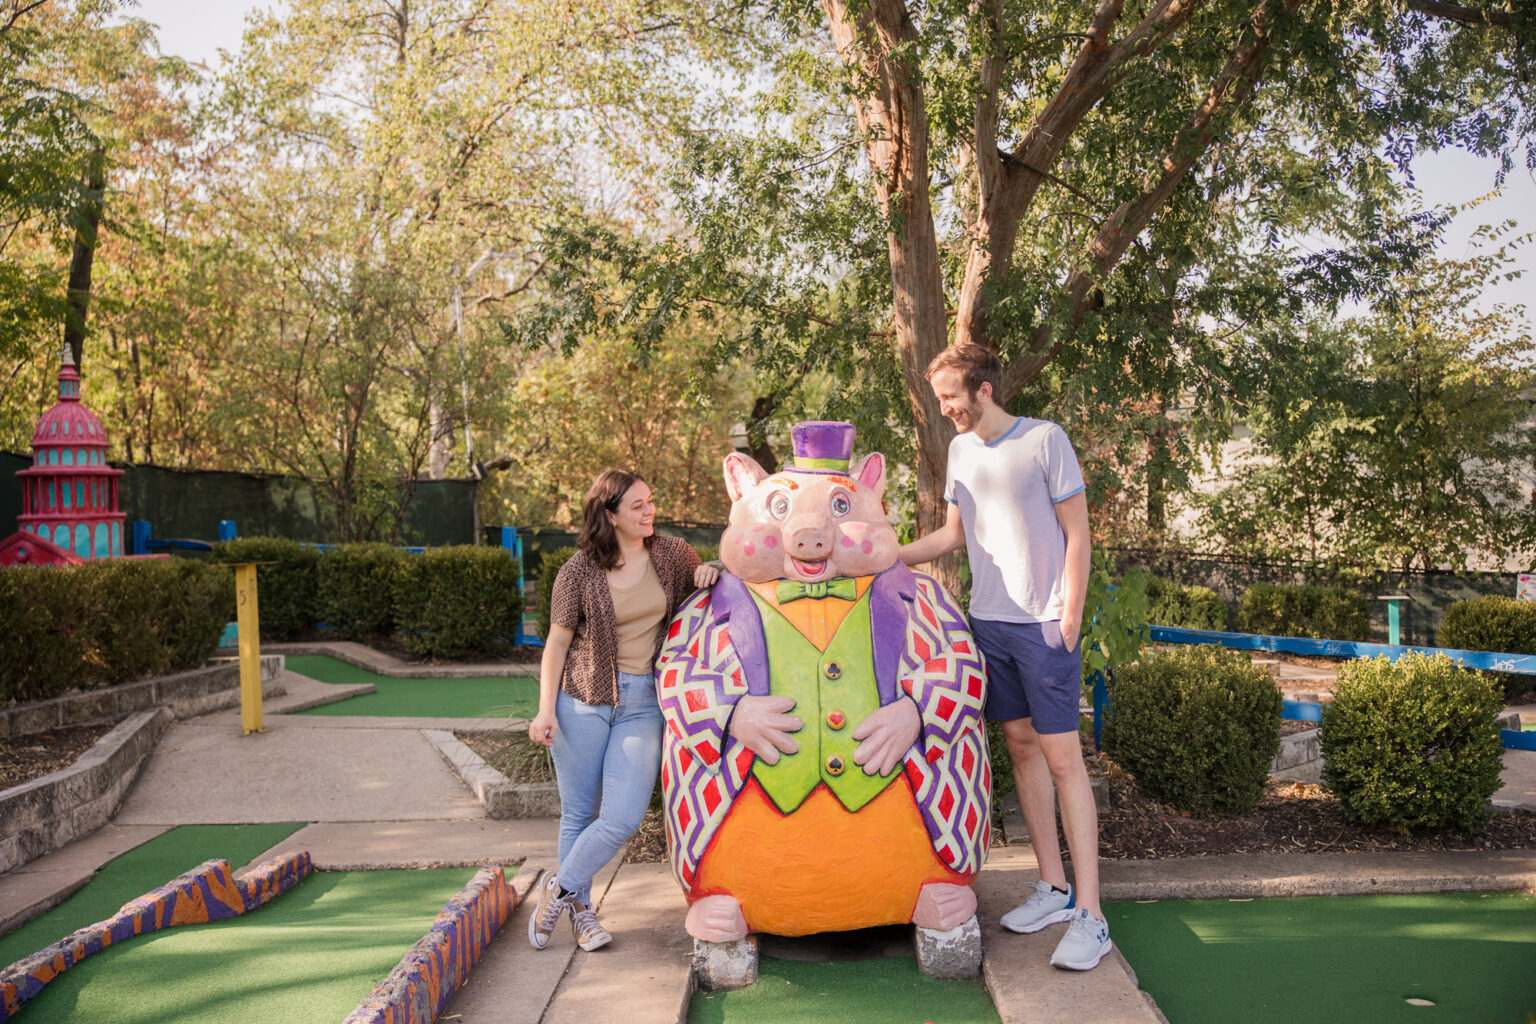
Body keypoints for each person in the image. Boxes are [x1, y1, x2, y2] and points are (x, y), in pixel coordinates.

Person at [898, 343, 1110, 972]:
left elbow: (1078, 532)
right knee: (1020, 747)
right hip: (989, 622)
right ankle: (1052, 886)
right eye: (940, 398)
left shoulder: (1045, 440)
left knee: (1064, 760)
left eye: (949, 396)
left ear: (983, 390)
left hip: (1044, 624)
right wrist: (886, 556)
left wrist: (1069, 615)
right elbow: (953, 535)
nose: (944, 408)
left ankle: (1091, 915)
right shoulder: (961, 452)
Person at [527, 469, 719, 951]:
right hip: (581, 700)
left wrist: (711, 570)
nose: (649, 510)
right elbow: (556, 644)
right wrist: (545, 711)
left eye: (650, 501)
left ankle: (558, 889)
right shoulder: (577, 571)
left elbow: (710, 587)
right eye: (638, 505)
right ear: (610, 515)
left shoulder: (673, 554)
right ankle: (582, 915)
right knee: (579, 813)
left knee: (623, 817)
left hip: (644, 703)